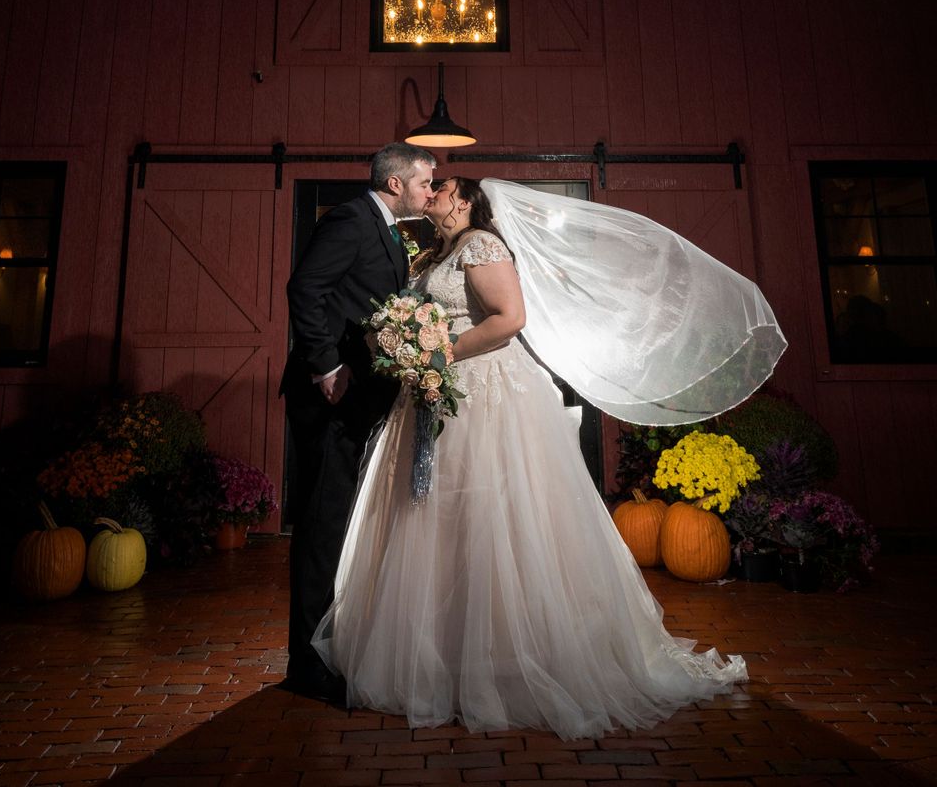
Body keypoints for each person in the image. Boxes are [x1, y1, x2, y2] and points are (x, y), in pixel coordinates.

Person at [312, 176, 783, 738]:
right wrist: (402, 346)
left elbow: (510, 318)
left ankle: (506, 659)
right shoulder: (436, 251)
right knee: (438, 522)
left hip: (481, 393)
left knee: (492, 518)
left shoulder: (482, 245)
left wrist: (439, 351)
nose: (432, 191)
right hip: (434, 394)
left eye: (442, 187)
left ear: (462, 202)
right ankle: (443, 654)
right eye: (428, 184)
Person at [281, 142, 436, 700]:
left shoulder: (391, 229)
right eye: (424, 183)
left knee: (339, 524)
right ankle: (305, 665)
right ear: (395, 184)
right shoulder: (350, 220)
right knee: (321, 527)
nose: (430, 192)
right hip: (329, 397)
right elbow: (306, 289)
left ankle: (326, 643)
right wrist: (325, 364)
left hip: (361, 399)